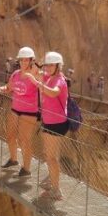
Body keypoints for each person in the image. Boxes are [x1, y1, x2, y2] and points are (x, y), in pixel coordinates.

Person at [0, 46, 42, 177]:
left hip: (29, 112)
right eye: (22, 60)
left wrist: (35, 74)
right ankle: (13, 160)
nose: (24, 63)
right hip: (15, 109)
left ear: (31, 61)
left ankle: (26, 169)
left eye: (27, 60)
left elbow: (45, 83)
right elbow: (9, 87)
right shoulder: (15, 74)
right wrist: (0, 89)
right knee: (10, 136)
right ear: (19, 61)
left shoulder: (36, 75)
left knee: (24, 140)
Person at [38, 51, 69, 201]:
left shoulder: (59, 80)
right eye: (47, 65)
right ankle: (52, 181)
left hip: (56, 123)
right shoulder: (50, 77)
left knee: (51, 158)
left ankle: (56, 190)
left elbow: (54, 93)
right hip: (49, 121)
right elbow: (37, 73)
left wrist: (41, 86)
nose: (48, 67)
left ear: (58, 66)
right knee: (49, 155)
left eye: (52, 65)